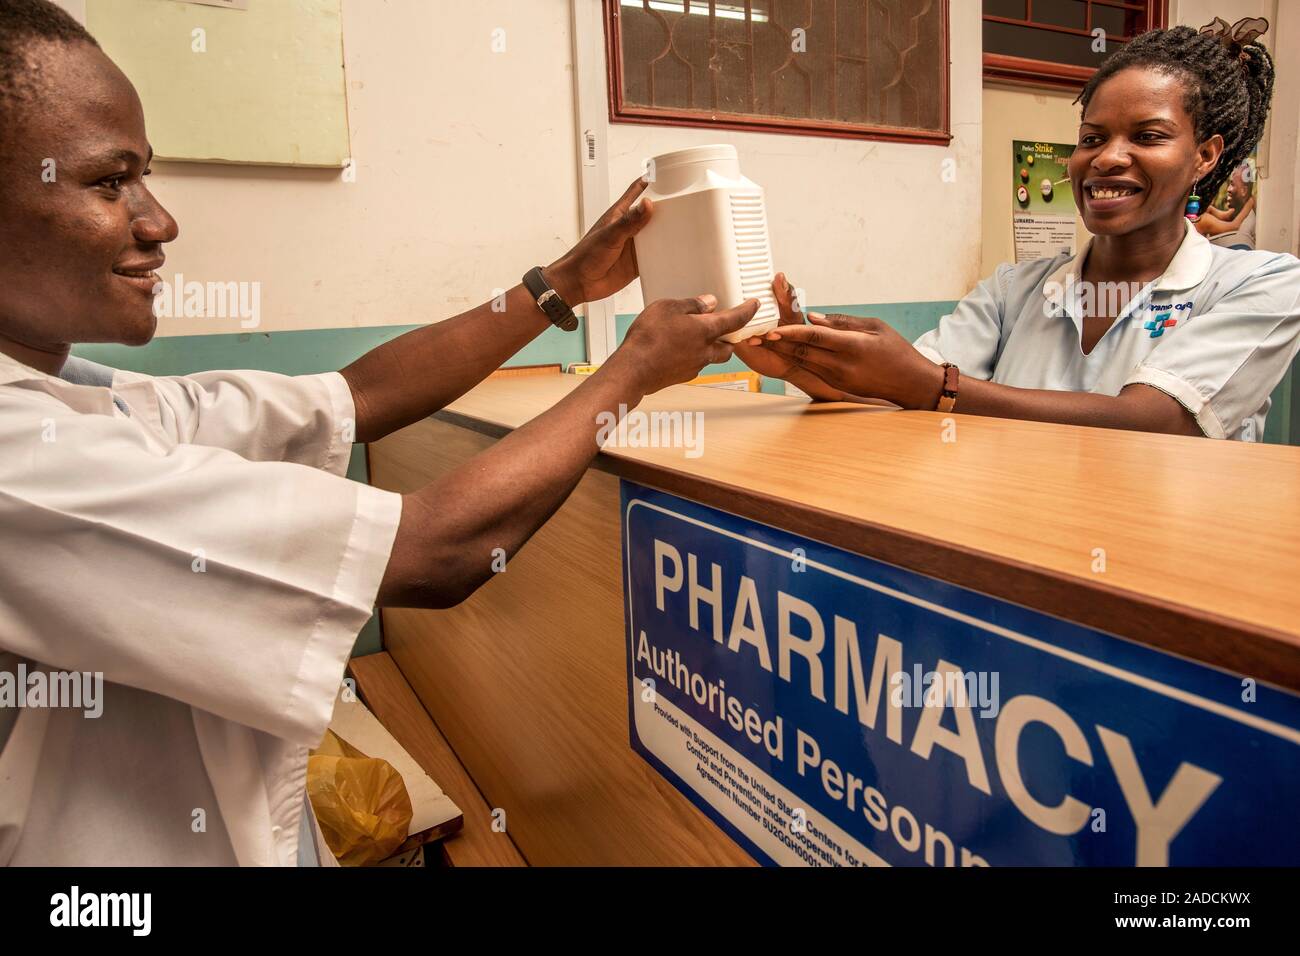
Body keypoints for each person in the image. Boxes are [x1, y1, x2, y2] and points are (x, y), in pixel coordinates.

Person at [0, 0, 757, 865]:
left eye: (146, 176)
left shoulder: (80, 400)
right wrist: (632, 373)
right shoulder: (24, 464)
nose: (159, 220)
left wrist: (561, 285)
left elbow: (356, 395)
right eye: (110, 182)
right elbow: (434, 552)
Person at [740, 24, 1298, 442]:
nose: (1107, 158)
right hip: (1012, 543)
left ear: (1205, 155)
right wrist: (808, 366)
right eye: (1092, 138)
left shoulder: (1261, 284)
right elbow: (899, 390)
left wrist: (936, 386)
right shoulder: (1015, 290)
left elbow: (1155, 420)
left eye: (1147, 136)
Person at [1196, 161, 1256, 248]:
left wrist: (1211, 209)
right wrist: (1249, 204)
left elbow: (1225, 216)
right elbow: (1234, 226)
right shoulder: (1204, 220)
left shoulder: (1200, 216)